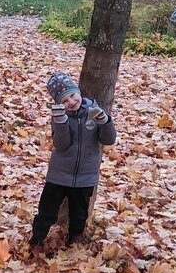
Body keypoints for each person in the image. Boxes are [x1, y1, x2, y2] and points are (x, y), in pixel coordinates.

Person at [28, 72, 117, 255]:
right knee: (46, 212)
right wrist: (60, 122)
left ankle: (75, 239)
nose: (71, 102)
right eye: (64, 100)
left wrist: (105, 121)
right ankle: (36, 241)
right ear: (59, 103)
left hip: (85, 177)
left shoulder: (94, 111)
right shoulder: (60, 115)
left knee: (79, 214)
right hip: (59, 175)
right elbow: (61, 145)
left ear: (78, 91)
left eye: (72, 95)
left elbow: (108, 140)